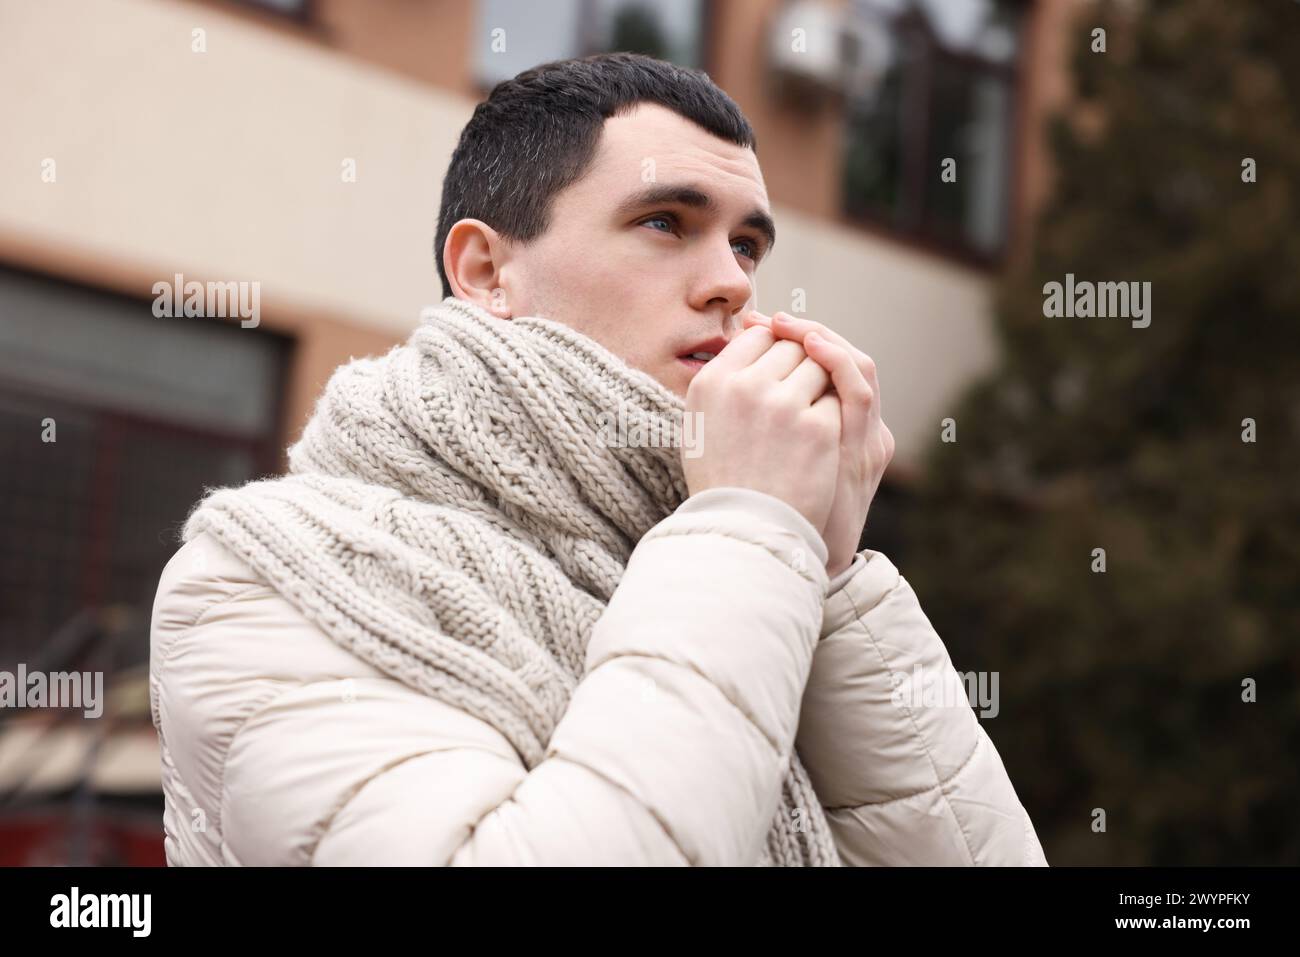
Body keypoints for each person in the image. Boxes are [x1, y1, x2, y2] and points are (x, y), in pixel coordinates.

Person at [149, 52, 1047, 866]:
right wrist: (746, 526)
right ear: (485, 271)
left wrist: (833, 572)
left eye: (746, 243)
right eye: (666, 221)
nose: (734, 280)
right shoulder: (262, 574)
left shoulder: (753, 570)